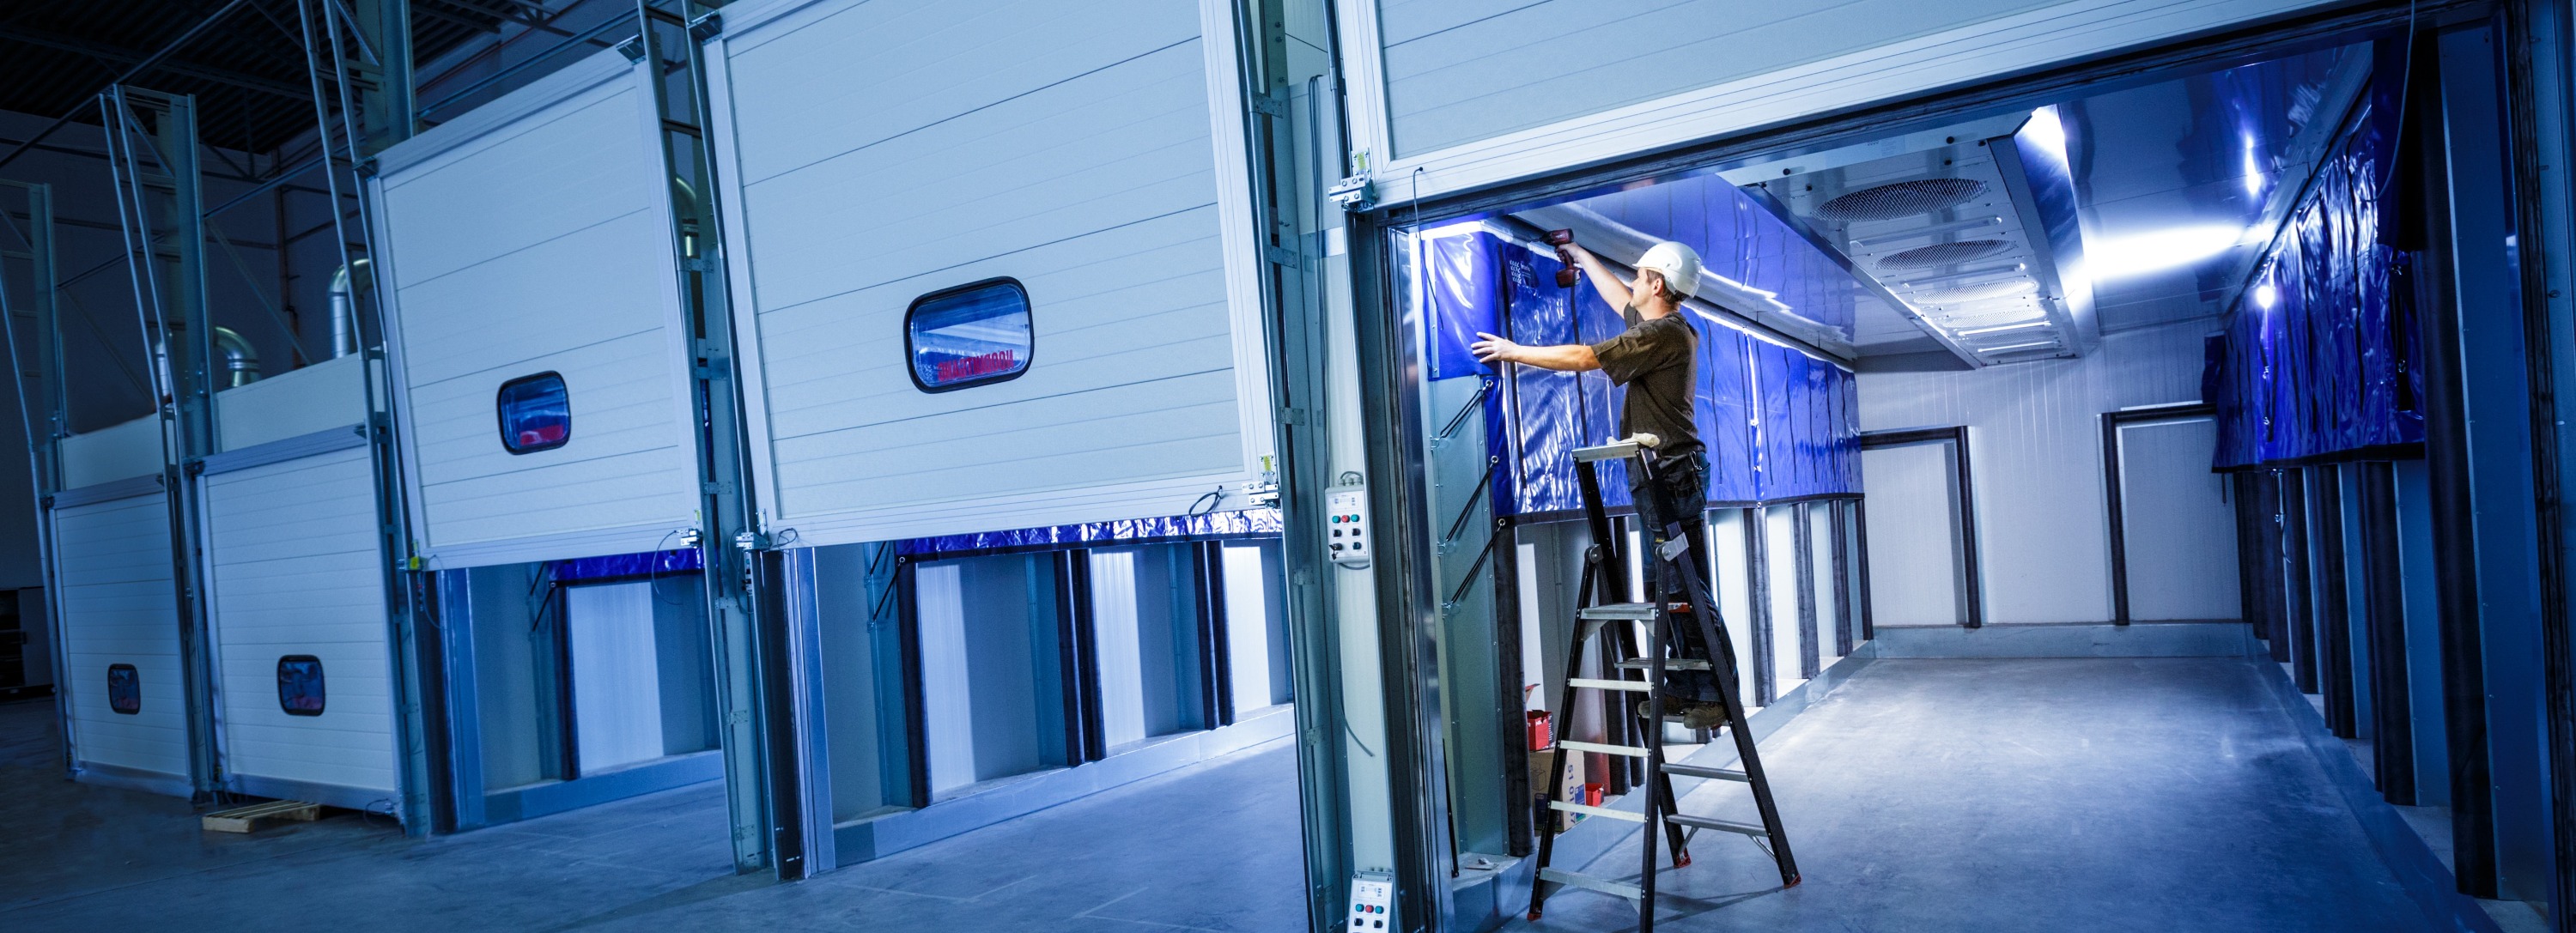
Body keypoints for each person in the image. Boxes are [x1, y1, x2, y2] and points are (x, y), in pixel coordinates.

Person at [1469, 239, 1728, 729]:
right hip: (1660, 476)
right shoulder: (1658, 326)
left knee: (1687, 589)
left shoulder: (1668, 334)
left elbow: (1587, 357)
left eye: (1639, 275)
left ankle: (1716, 691)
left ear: (1657, 282)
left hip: (1671, 473)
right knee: (1665, 590)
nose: (1632, 282)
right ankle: (1687, 685)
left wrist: (1512, 351)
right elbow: (1620, 299)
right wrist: (1585, 257)